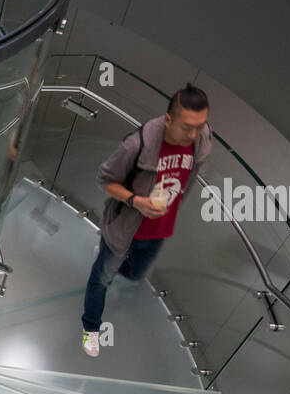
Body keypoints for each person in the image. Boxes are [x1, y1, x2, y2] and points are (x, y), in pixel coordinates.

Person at [80, 83, 213, 357]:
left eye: (200, 125)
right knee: (101, 279)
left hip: (159, 230)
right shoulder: (137, 145)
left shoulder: (200, 140)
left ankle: (111, 253)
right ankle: (91, 328)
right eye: (187, 126)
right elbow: (104, 180)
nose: (194, 133)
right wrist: (135, 201)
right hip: (126, 228)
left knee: (135, 273)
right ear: (168, 119)